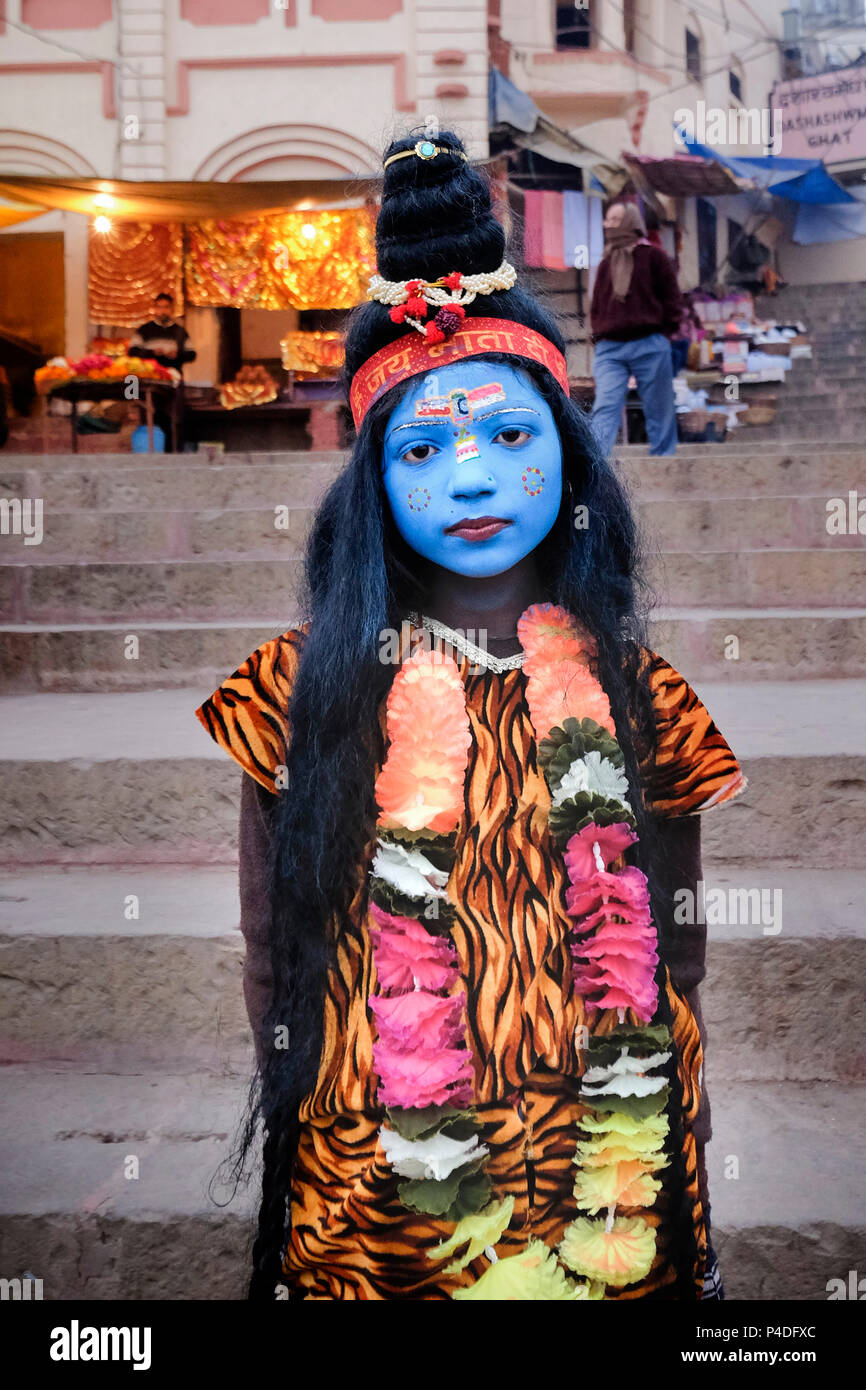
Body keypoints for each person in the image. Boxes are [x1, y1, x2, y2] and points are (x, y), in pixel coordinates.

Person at [195, 131, 746, 1302]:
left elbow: (677, 963)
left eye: (507, 433)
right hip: (379, 1191)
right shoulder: (294, 691)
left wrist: (674, 1142)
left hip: (606, 1174)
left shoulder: (642, 698)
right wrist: (300, 1125)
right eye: (424, 446)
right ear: (375, 486)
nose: (475, 477)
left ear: (567, 453)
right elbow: (272, 960)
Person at [590, 202, 682, 457]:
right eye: (607, 220)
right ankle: (598, 466)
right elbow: (596, 305)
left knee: (658, 406)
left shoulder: (654, 257)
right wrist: (598, 336)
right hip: (610, 348)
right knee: (605, 405)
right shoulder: (606, 263)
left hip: (649, 342)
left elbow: (673, 298)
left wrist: (664, 333)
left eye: (615, 219)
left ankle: (663, 459)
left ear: (631, 221)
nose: (607, 225)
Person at [128, 292, 196, 371]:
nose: (162, 311)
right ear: (155, 309)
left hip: (174, 375)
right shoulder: (144, 329)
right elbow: (132, 351)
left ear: (172, 309)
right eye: (159, 307)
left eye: (166, 307)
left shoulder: (180, 331)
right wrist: (152, 352)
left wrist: (177, 355)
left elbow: (192, 354)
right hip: (149, 373)